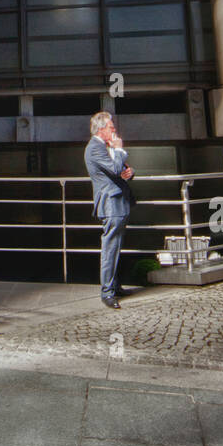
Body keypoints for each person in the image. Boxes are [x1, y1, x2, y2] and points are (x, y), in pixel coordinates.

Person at [84, 112, 134, 309]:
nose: (114, 131)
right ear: (101, 129)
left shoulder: (105, 147)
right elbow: (114, 169)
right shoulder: (95, 148)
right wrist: (120, 150)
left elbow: (121, 169)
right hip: (110, 203)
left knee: (116, 245)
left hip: (119, 202)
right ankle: (107, 292)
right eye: (111, 128)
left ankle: (115, 286)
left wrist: (130, 172)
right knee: (110, 247)